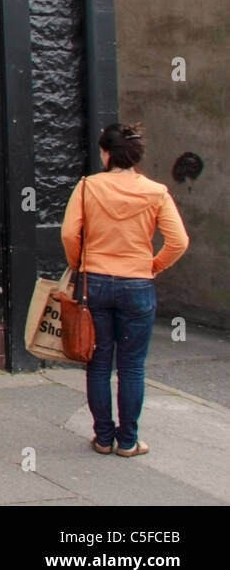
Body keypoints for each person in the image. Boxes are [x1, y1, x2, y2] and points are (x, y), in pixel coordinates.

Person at [62, 123, 188, 458]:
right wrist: (152, 266)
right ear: (136, 156)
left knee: (99, 362)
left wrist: (79, 264)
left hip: (95, 283)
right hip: (137, 284)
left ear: (105, 154)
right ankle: (128, 441)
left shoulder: (88, 187)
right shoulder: (156, 192)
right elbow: (178, 242)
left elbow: (69, 234)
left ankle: (103, 437)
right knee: (132, 366)